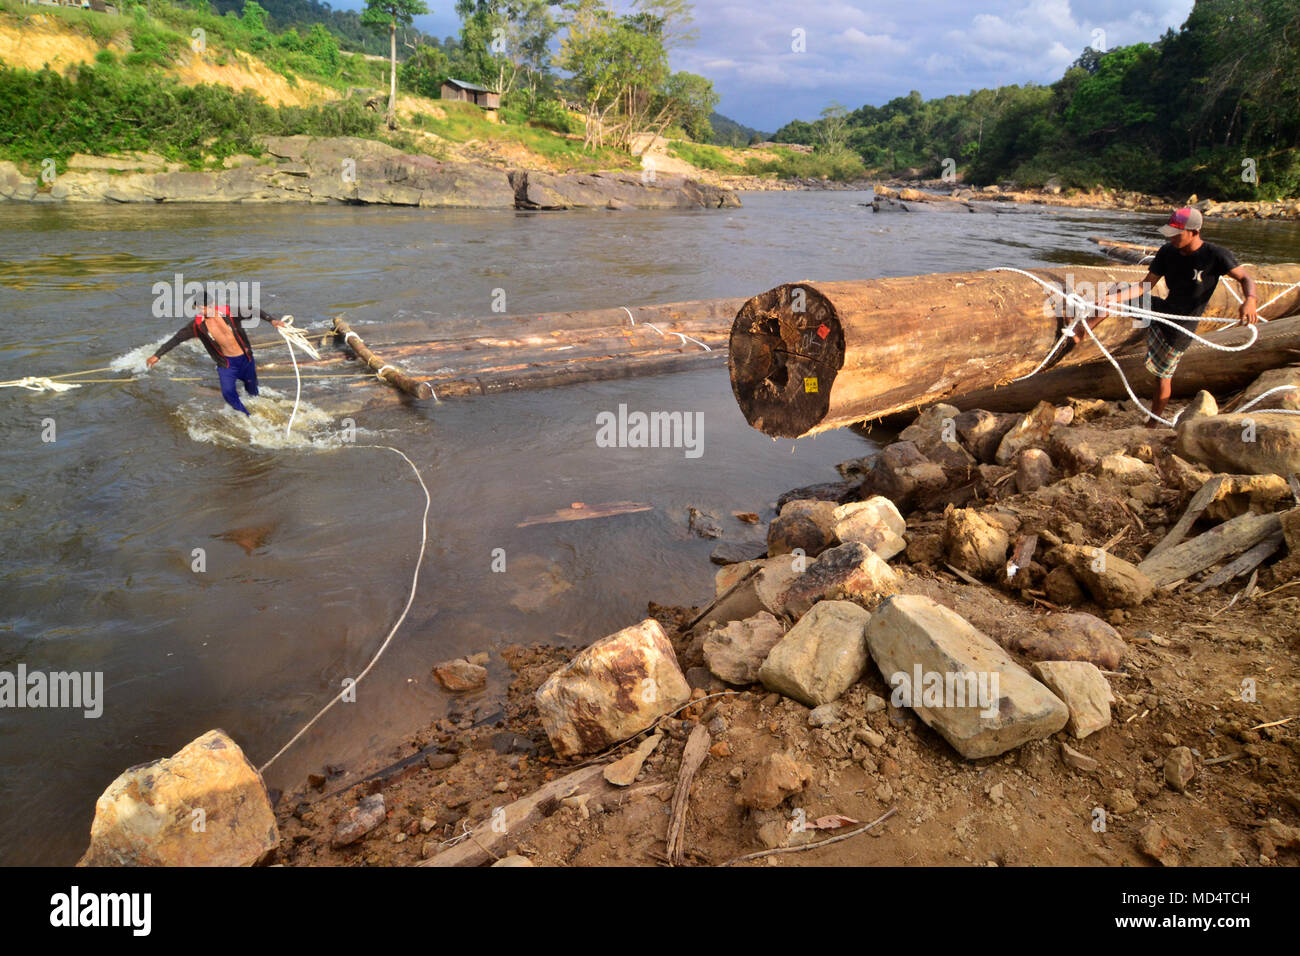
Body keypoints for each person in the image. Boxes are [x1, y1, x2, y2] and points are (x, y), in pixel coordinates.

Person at [1074, 207, 1258, 424]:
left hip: (1183, 324)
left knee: (1162, 376)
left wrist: (1250, 300)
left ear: (1195, 232)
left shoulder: (1215, 255)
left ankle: (1154, 420)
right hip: (1162, 309)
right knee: (1116, 290)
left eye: (1176, 233)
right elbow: (1144, 286)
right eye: (1169, 232)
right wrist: (1113, 299)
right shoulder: (1167, 252)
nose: (1171, 237)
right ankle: (1082, 330)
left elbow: (1245, 278)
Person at [147, 292, 285, 415]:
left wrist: (272, 320)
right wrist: (157, 355)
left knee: (252, 392)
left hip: (246, 360)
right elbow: (177, 339)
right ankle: (247, 416)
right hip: (227, 365)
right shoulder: (196, 326)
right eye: (199, 308)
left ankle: (259, 408)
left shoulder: (230, 313)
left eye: (204, 307)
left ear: (212, 304)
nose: (202, 311)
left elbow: (253, 310)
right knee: (227, 393)